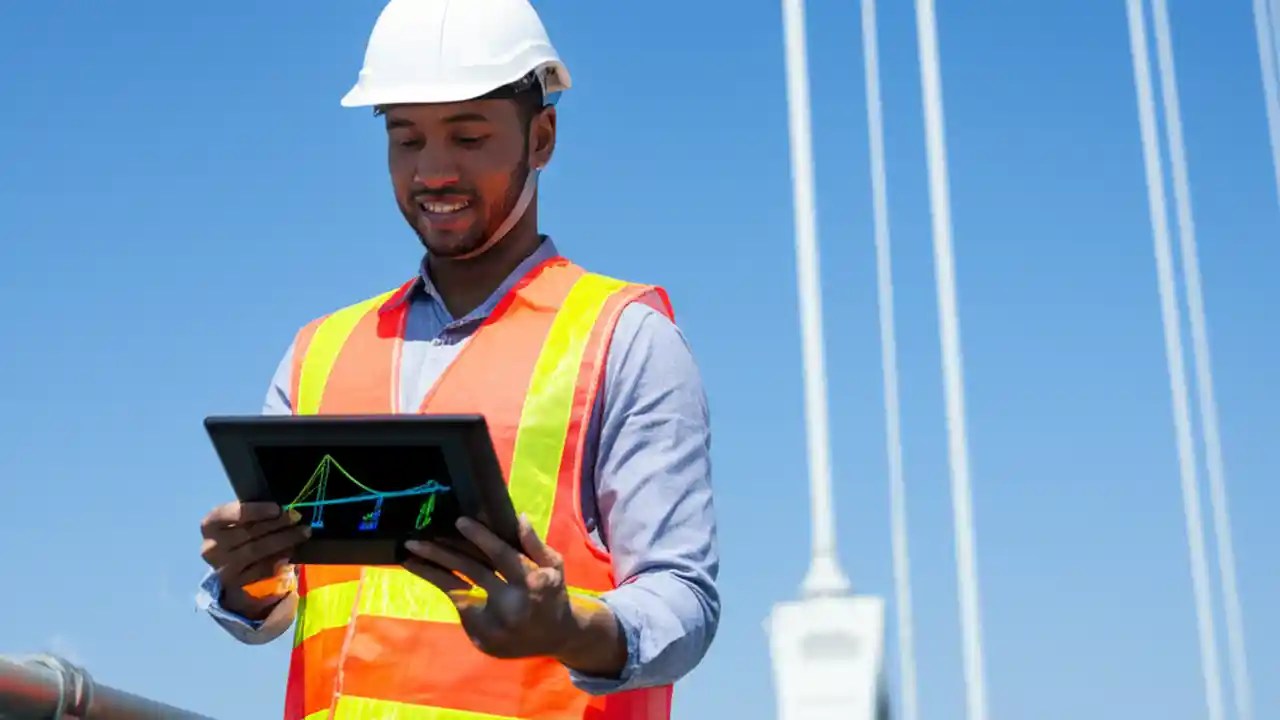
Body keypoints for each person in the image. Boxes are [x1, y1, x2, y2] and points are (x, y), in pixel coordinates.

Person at [193, 1, 719, 718]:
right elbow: (276, 613)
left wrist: (568, 628)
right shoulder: (318, 354)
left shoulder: (623, 340)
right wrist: (245, 581)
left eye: (468, 137)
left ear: (542, 137)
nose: (433, 171)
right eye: (406, 139)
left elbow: (683, 602)